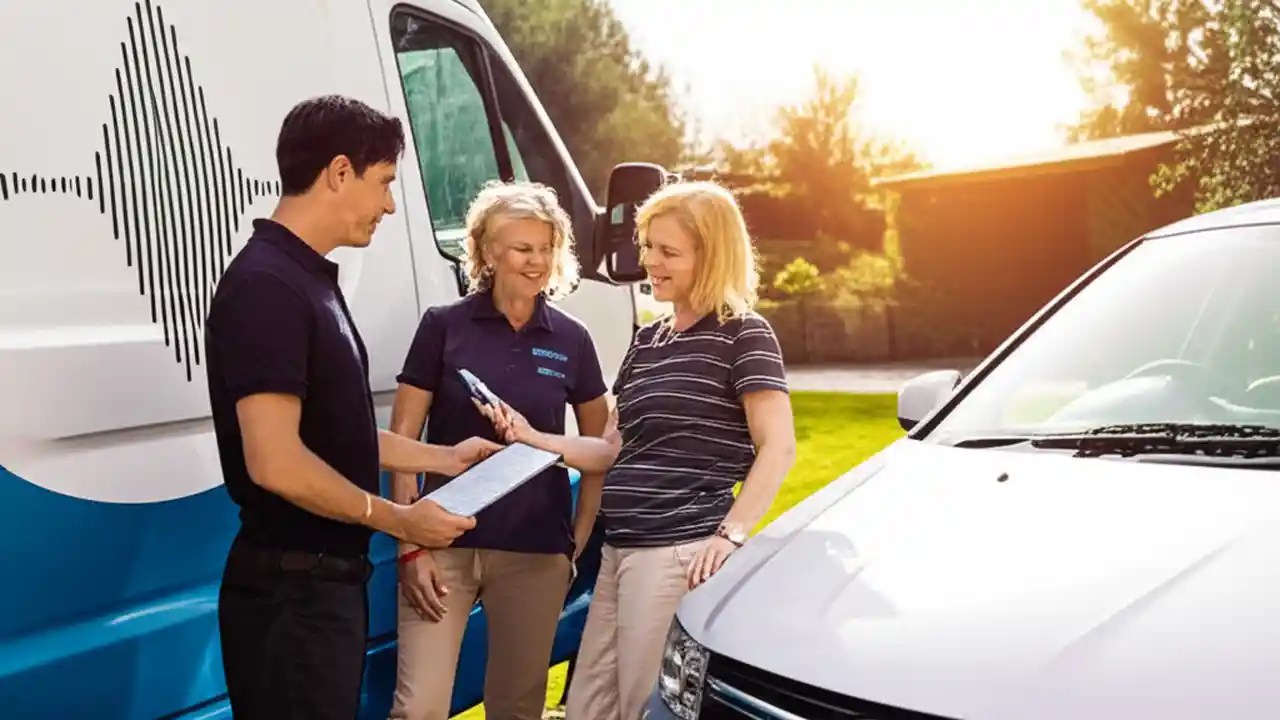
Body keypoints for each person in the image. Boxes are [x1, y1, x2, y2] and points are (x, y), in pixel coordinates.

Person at [204, 95, 499, 720]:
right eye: (385, 182)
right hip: (289, 600)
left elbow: (333, 434)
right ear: (340, 172)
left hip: (319, 589)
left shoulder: (307, 279)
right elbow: (275, 461)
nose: (391, 205)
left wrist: (441, 457)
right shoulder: (268, 287)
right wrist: (398, 519)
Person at [488, 180, 797, 720]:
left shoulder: (744, 334)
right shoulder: (648, 342)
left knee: (641, 704)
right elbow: (609, 450)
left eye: (668, 252)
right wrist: (533, 437)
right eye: (648, 245)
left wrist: (730, 534)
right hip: (620, 549)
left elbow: (779, 447)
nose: (648, 261)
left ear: (712, 254)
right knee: (588, 705)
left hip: (675, 549)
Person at [388, 181, 611, 720]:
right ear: (488, 252)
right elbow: (401, 438)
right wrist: (410, 547)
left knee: (516, 707)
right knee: (419, 707)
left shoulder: (572, 338)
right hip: (443, 547)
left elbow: (599, 448)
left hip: (535, 551)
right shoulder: (443, 327)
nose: (537, 262)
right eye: (522, 248)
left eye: (545, 248)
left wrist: (575, 542)